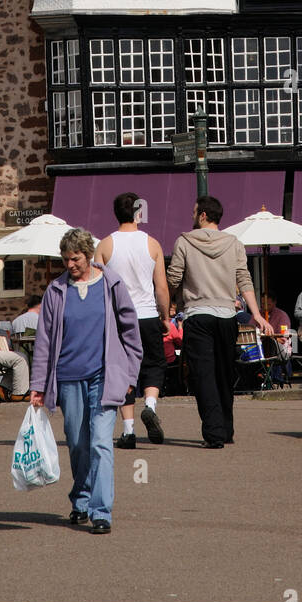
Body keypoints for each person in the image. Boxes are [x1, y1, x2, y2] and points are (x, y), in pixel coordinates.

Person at [30, 228, 142, 535]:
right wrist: (38, 385)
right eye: (66, 259)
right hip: (67, 377)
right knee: (78, 444)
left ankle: (101, 510)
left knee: (101, 444)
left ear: (88, 254)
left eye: (75, 258)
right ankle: (80, 499)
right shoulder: (55, 291)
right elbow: (44, 341)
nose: (70, 265)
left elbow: (130, 329)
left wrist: (130, 373)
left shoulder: (111, 283)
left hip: (104, 377)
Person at [166, 195, 272, 448]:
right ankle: (226, 429)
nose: (191, 216)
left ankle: (214, 434)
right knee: (225, 374)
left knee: (203, 375)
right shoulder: (234, 243)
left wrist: (163, 305)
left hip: (197, 315)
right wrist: (256, 314)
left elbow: (173, 278)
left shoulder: (184, 242)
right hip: (227, 316)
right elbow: (244, 280)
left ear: (203, 215)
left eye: (194, 212)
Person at [94, 191, 170, 448]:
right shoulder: (153, 244)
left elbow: (98, 288)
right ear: (139, 213)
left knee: (123, 371)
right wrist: (166, 315)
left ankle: (128, 431)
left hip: (118, 318)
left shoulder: (104, 245)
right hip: (148, 314)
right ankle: (150, 404)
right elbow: (161, 286)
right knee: (154, 363)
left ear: (116, 214)